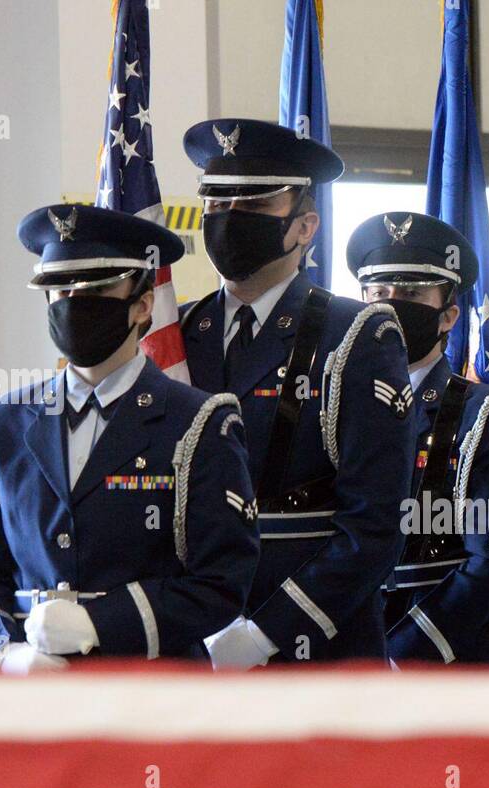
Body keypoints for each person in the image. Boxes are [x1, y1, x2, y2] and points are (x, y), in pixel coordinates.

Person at [0, 204, 259, 672]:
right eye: (59, 290)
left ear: (142, 303)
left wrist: (100, 623)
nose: (73, 302)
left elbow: (222, 582)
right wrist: (5, 653)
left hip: (152, 690)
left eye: (95, 289)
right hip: (35, 693)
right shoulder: (6, 423)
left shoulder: (198, 423)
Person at [178, 119, 416, 665]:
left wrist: (267, 633)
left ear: (304, 225)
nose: (230, 220)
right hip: (193, 641)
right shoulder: (179, 336)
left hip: (316, 647)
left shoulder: (356, 335)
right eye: (216, 205)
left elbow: (374, 524)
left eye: (254, 206)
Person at [346, 211, 489, 663]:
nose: (392, 304)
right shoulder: (340, 408)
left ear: (449, 314)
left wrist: (406, 652)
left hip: (458, 658)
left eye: (412, 293)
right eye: (379, 293)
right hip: (355, 653)